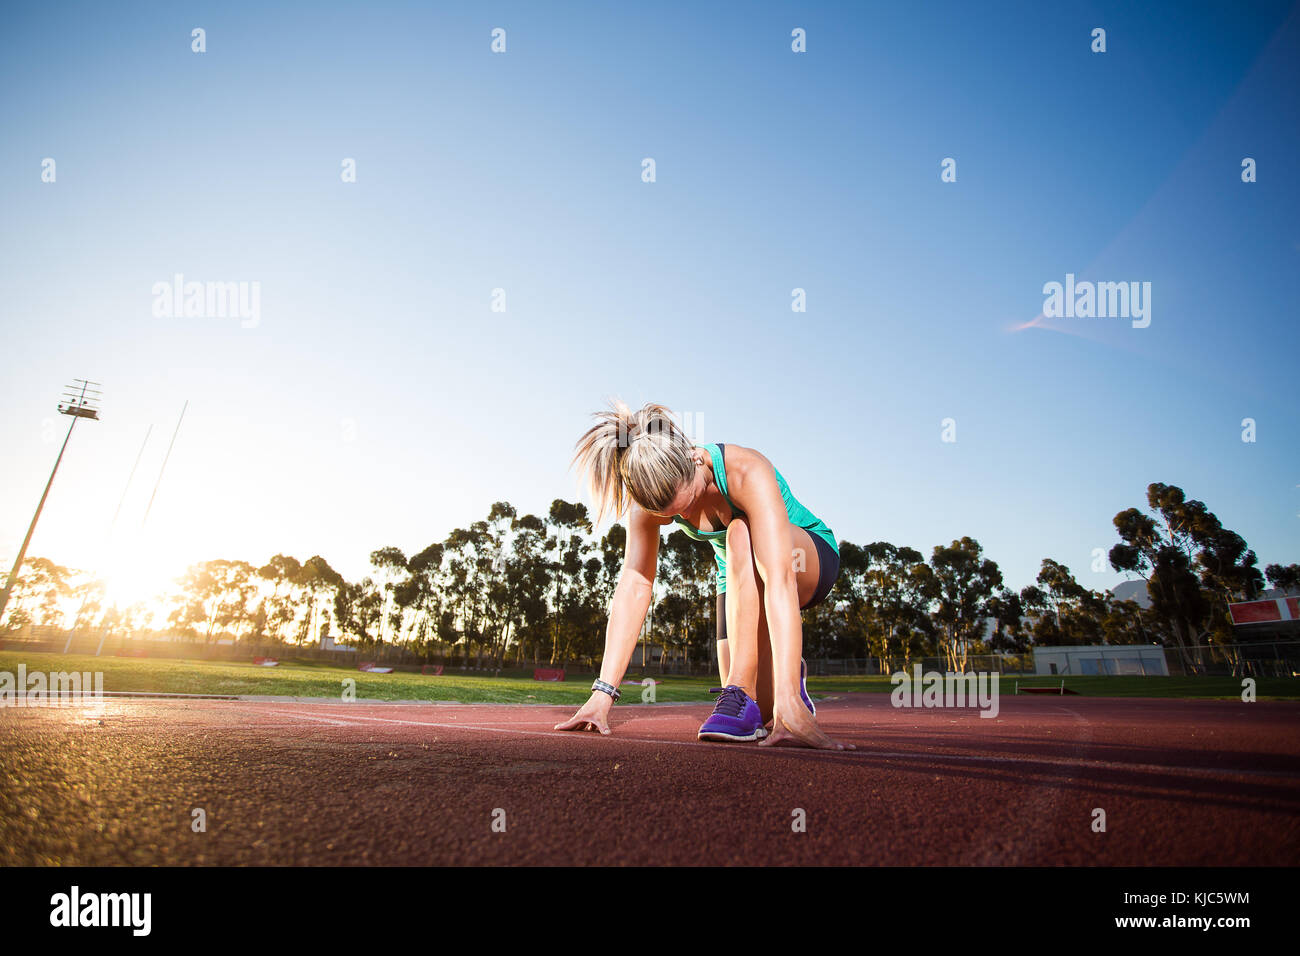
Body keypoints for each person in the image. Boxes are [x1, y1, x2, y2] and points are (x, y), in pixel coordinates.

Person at [555, 400, 854, 750]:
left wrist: (791, 701)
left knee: (740, 532)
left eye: (689, 499)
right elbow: (636, 583)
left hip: (805, 558)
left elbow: (779, 578)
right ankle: (776, 682)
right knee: (751, 714)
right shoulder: (648, 497)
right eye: (672, 515)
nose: (686, 514)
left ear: (694, 458)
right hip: (738, 576)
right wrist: (602, 695)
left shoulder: (744, 470)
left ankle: (778, 688)